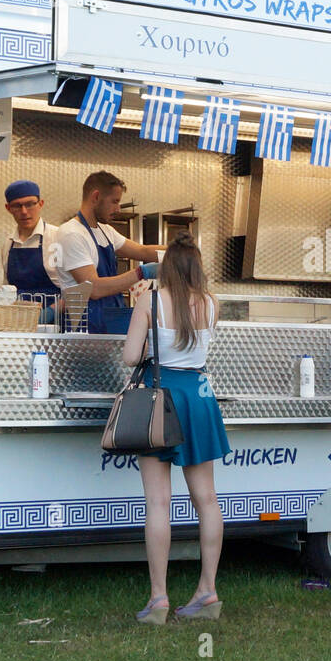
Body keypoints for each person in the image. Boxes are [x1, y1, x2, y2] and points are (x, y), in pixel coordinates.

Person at [122, 234, 230, 625]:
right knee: (207, 499)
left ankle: (159, 599)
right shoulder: (212, 303)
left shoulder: (149, 301)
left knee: (158, 503)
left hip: (160, 398)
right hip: (200, 397)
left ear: (165, 267)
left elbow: (130, 356)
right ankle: (207, 592)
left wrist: (151, 345)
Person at [57, 171, 162, 333]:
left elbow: (143, 251)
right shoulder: (71, 233)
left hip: (110, 322)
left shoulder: (106, 231)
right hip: (85, 329)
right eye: (114, 202)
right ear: (96, 196)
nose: (118, 209)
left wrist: (180, 250)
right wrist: (142, 272)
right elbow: (94, 289)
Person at [0, 180, 64, 318]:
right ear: (8, 208)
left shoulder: (58, 237)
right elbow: (8, 289)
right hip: (20, 321)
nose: (24, 211)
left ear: (41, 204)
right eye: (17, 206)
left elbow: (79, 289)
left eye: (30, 204)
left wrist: (51, 312)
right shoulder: (8, 243)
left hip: (56, 325)